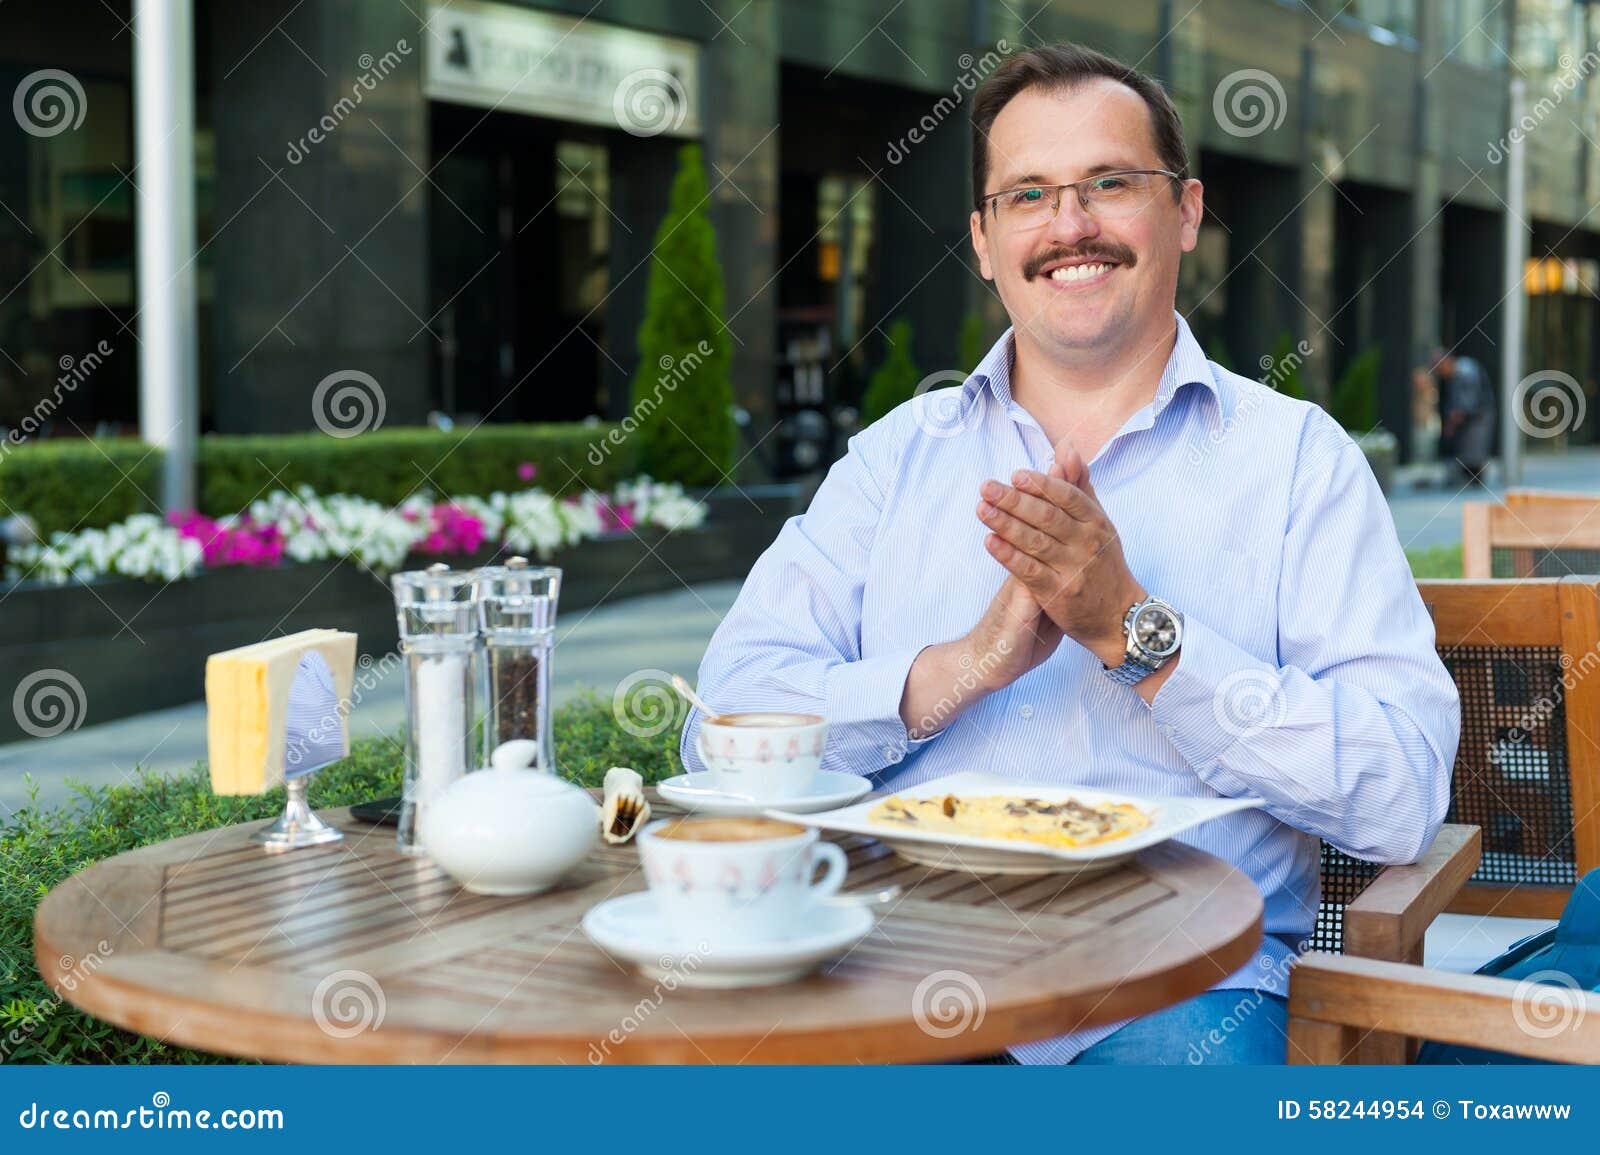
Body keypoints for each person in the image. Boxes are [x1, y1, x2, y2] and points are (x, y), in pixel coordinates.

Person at [680, 42, 1460, 1064]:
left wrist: (1137, 634)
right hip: (888, 981)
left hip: (1179, 1003)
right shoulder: (890, 462)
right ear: (981, 239)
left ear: (1183, 211)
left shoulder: (1298, 463)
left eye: (1107, 183)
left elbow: (1401, 797)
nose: (1069, 225)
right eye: (1027, 195)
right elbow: (720, 732)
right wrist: (959, 671)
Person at [1429, 347, 1496, 485]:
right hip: (1472, 416)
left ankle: (1474, 480)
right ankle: (1468, 479)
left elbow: (1467, 402)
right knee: (1467, 449)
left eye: (1440, 369)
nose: (1441, 374)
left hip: (1479, 416)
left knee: (1473, 449)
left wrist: (1452, 422)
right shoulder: (1458, 372)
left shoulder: (1465, 371)